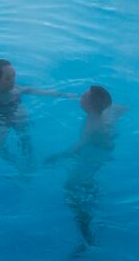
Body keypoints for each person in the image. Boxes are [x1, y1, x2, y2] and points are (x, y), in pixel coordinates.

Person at [46, 84, 128, 248]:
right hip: (100, 155)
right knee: (86, 184)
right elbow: (120, 108)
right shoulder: (104, 114)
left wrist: (56, 156)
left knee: (71, 188)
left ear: (89, 105)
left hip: (91, 158)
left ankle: (86, 236)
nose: (80, 98)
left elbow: (78, 147)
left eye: (82, 97)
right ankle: (91, 196)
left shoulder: (91, 125)